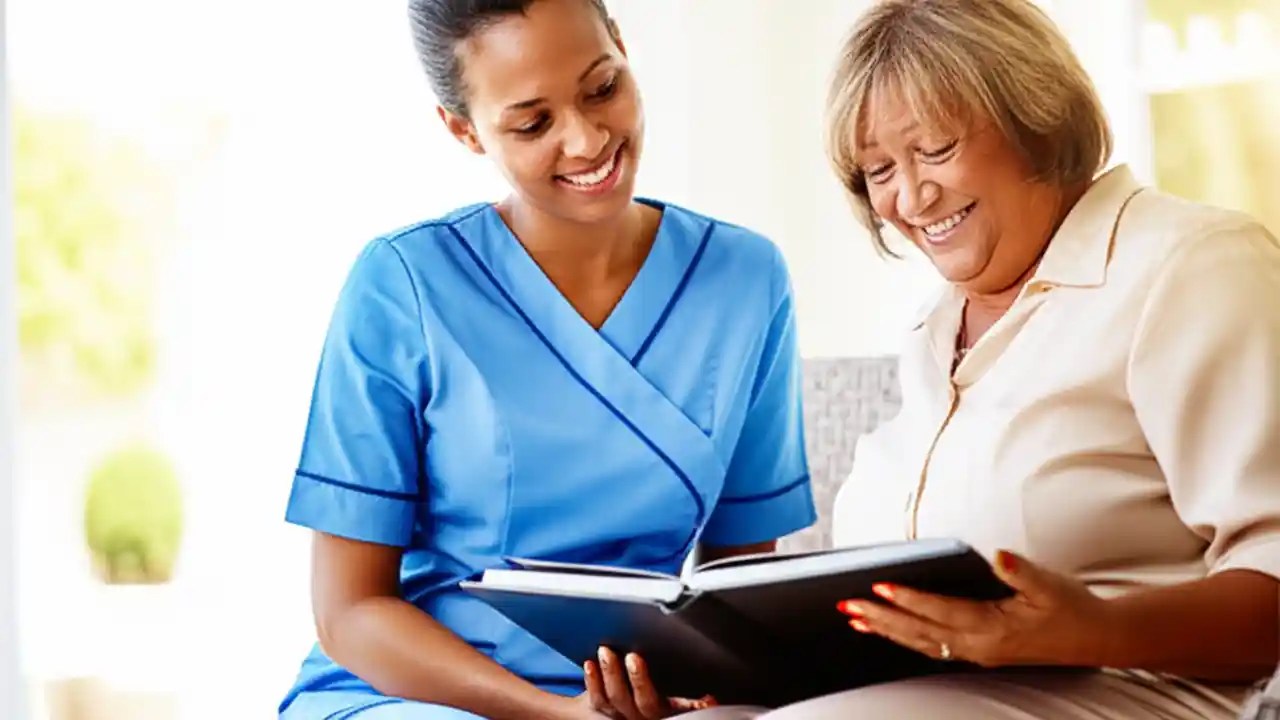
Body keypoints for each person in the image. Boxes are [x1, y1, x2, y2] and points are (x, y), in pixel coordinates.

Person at [716, 0, 1279, 718]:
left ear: (1034, 117)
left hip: (1140, 693)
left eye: (935, 149)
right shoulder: (933, 328)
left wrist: (1092, 629)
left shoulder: (1188, 265)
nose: (911, 197)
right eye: (879, 169)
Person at [275, 0, 816, 718]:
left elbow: (737, 591)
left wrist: (692, 695)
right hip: (412, 695)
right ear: (464, 129)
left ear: (621, 47)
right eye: (532, 123)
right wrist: (554, 714)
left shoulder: (745, 280)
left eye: (603, 88)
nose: (588, 140)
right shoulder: (403, 284)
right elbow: (348, 611)